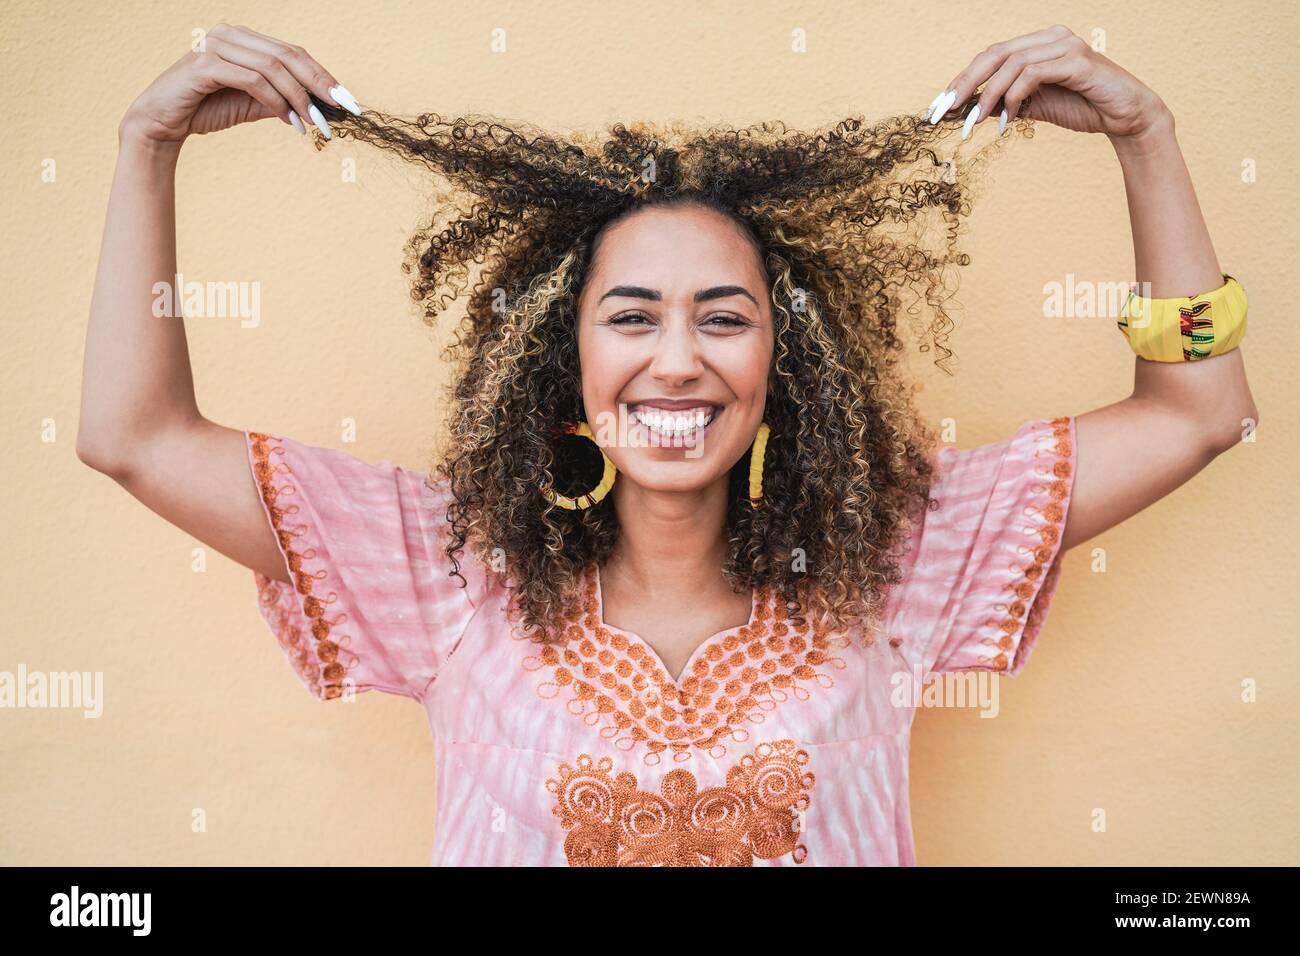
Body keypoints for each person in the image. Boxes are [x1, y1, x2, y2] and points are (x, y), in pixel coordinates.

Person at [78, 23, 1258, 865]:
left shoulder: (894, 559)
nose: (679, 357)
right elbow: (132, 437)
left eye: (726, 316)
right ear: (567, 367)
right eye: (632, 315)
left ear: (782, 364)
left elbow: (1194, 411)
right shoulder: (446, 567)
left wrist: (1142, 135)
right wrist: (147, 145)